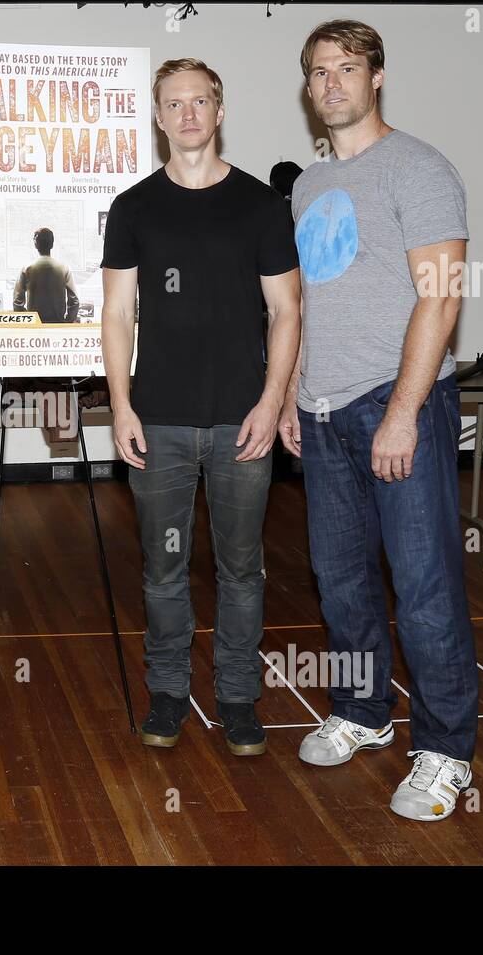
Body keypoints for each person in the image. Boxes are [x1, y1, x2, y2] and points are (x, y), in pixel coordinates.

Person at [277, 19, 479, 822]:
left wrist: (404, 412)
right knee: (343, 581)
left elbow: (440, 296)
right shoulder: (306, 185)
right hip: (322, 414)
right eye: (318, 72)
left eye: (347, 68)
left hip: (398, 404)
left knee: (425, 587)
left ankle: (446, 752)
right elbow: (302, 305)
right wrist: (293, 391)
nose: (332, 84)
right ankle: (363, 713)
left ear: (377, 77)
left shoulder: (421, 168)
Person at [101, 58, 301, 757]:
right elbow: (118, 312)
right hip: (157, 421)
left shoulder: (262, 206)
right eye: (174, 103)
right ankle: (166, 693)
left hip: (242, 423)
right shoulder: (133, 208)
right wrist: (120, 407)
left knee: (241, 570)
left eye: (200, 102)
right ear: (157, 118)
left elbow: (286, 311)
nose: (188, 114)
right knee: (163, 567)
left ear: (219, 111)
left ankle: (240, 701)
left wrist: (273, 401)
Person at [13, 227, 79, 322]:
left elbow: (17, 301)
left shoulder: (27, 268)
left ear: (35, 244)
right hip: (58, 325)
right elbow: (74, 301)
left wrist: (28, 320)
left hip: (34, 326)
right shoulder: (64, 268)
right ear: (52, 244)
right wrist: (68, 321)